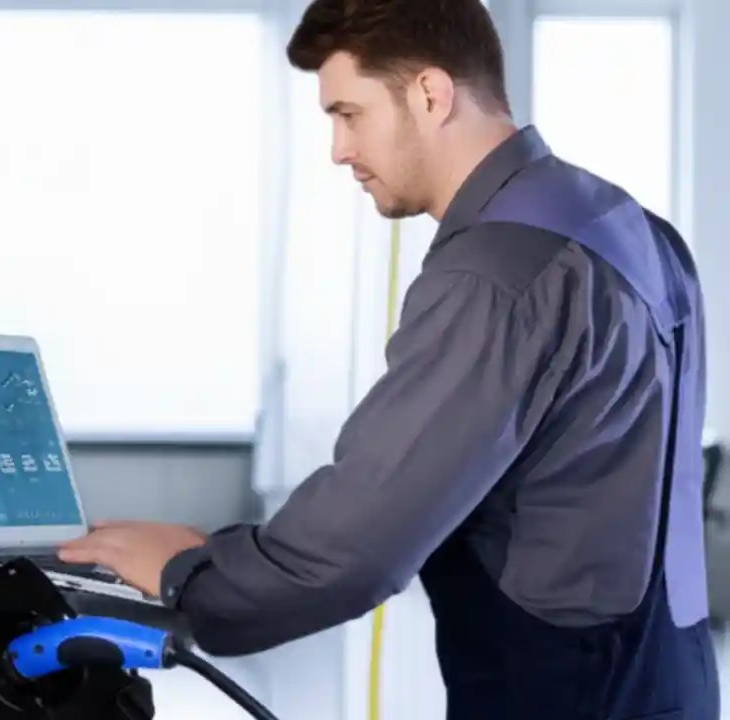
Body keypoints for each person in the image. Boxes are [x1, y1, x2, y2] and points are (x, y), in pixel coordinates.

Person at [57, 0, 720, 716]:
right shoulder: (629, 225)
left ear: (430, 94)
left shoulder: (497, 272)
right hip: (667, 681)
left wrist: (191, 574)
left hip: (563, 696)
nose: (338, 150)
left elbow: (358, 548)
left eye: (350, 114)